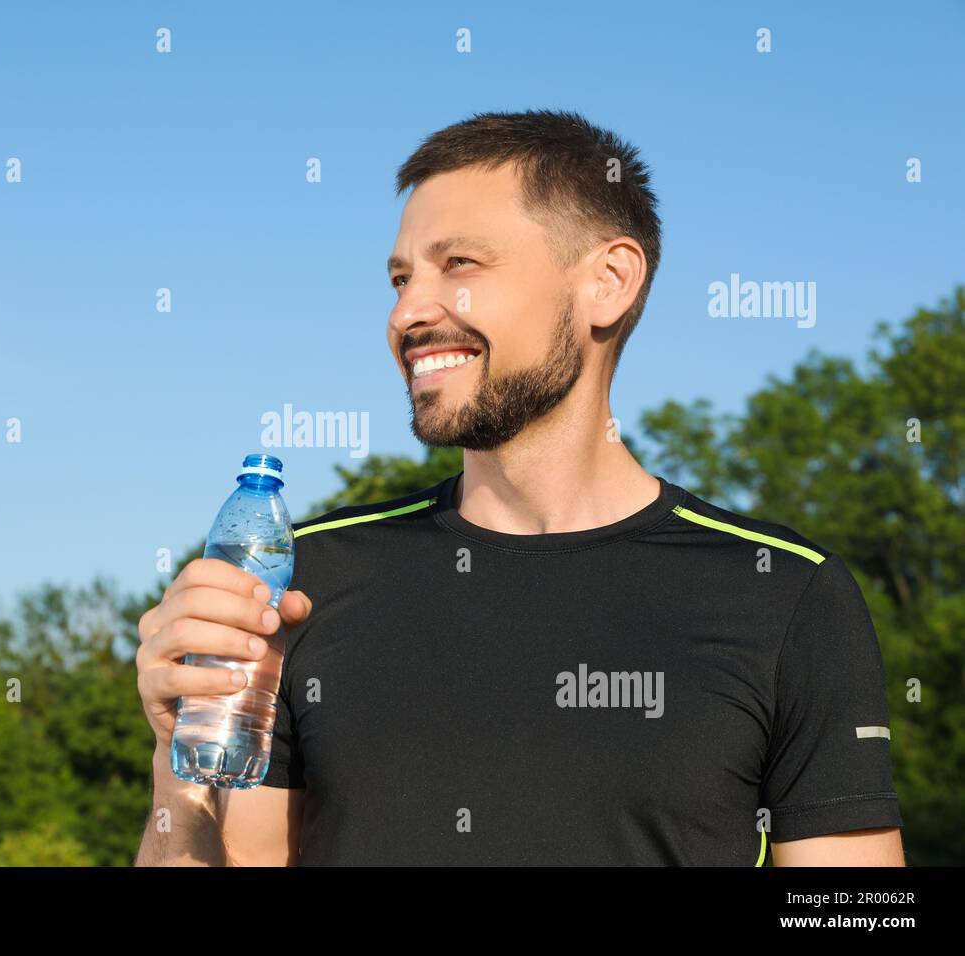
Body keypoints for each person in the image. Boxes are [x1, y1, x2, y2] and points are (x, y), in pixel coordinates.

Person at [133, 110, 904, 866]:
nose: (408, 312)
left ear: (608, 282)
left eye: (459, 264)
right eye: (401, 278)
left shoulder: (787, 595)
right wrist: (176, 765)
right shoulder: (308, 580)